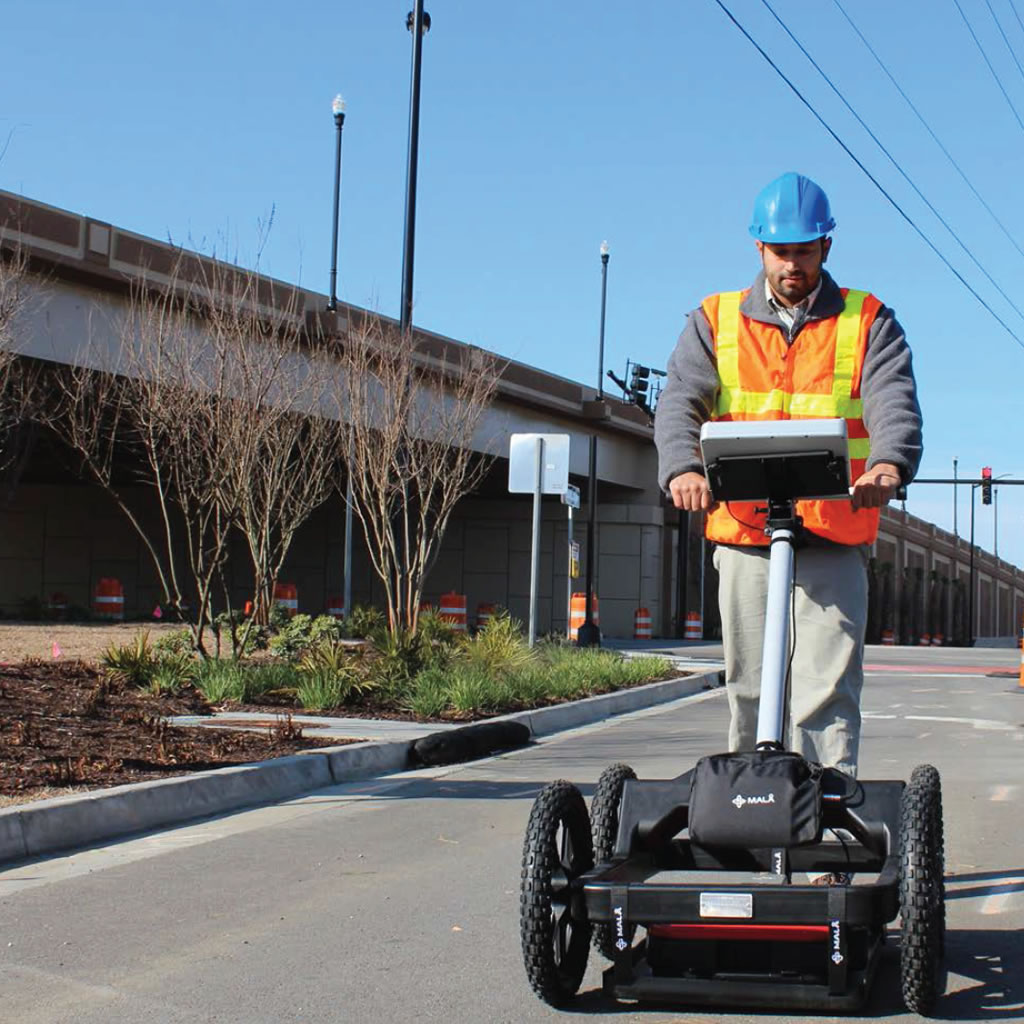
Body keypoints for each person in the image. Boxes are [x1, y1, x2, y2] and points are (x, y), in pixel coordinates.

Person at [654, 171, 922, 783]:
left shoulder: (867, 319)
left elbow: (892, 399)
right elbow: (680, 402)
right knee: (751, 688)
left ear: (826, 246)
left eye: (803, 250)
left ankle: (826, 811)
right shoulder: (716, 319)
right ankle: (748, 807)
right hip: (745, 531)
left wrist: (888, 463)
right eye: (780, 251)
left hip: (833, 530)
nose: (791, 264)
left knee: (827, 690)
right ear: (759, 247)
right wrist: (683, 468)